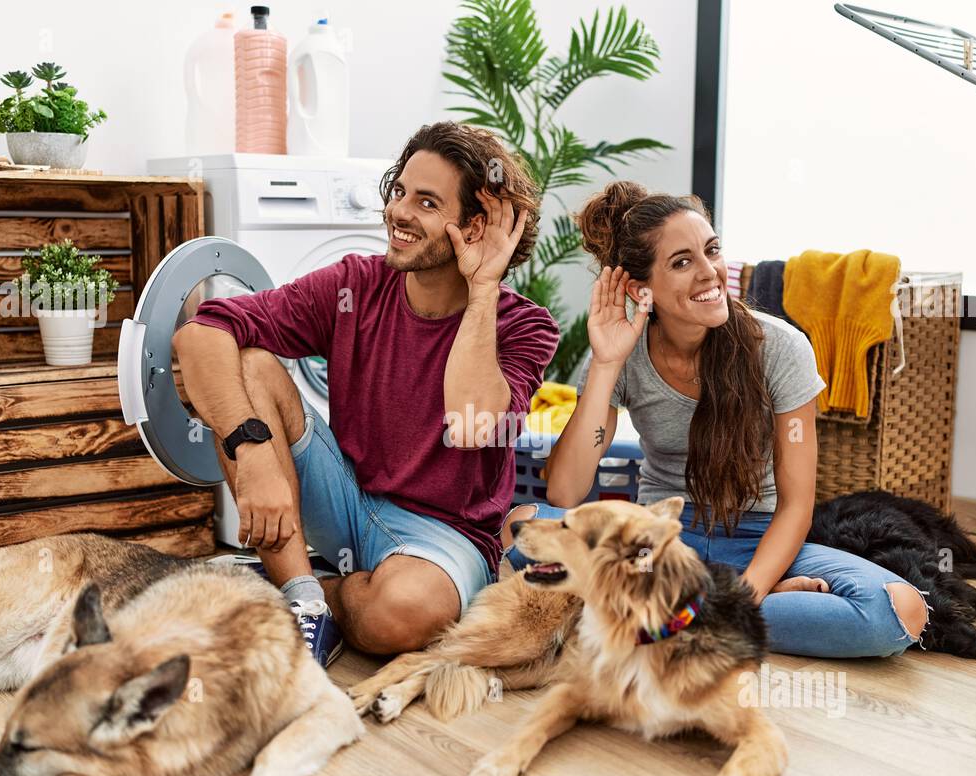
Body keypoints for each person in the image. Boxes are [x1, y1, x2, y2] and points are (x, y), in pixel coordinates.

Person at [174, 122, 560, 666]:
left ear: (476, 228)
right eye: (399, 191)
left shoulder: (525, 327)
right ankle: (306, 604)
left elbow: (473, 422)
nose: (399, 212)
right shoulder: (355, 284)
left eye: (426, 202)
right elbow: (200, 334)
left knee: (400, 613)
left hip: (445, 533)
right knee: (250, 363)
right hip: (345, 493)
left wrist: (482, 291)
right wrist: (254, 451)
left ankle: (286, 587)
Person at [502, 181, 929, 658]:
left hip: (757, 541)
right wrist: (605, 363)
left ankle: (660, 613)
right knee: (524, 526)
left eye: (712, 250)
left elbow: (796, 506)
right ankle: (711, 612)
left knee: (896, 609)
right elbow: (564, 490)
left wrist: (748, 593)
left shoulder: (781, 348)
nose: (710, 273)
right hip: (657, 544)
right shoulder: (621, 353)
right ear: (642, 289)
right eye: (682, 262)